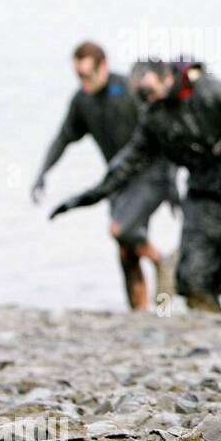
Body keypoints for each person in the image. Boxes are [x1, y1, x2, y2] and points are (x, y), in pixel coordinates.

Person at [50, 59, 221, 314]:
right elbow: (127, 163)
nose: (148, 100)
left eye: (150, 92)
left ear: (167, 78)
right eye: (140, 96)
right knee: (192, 276)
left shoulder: (207, 90)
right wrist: (85, 197)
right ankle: (213, 328)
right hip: (202, 194)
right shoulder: (153, 117)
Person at [34, 41, 176, 310]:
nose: (83, 81)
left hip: (150, 173)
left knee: (121, 230)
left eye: (88, 75)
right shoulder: (82, 100)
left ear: (104, 66)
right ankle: (141, 312)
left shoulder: (129, 89)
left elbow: (163, 130)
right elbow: (63, 138)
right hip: (117, 180)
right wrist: (43, 173)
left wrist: (171, 183)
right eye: (78, 76)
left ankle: (161, 262)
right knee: (126, 253)